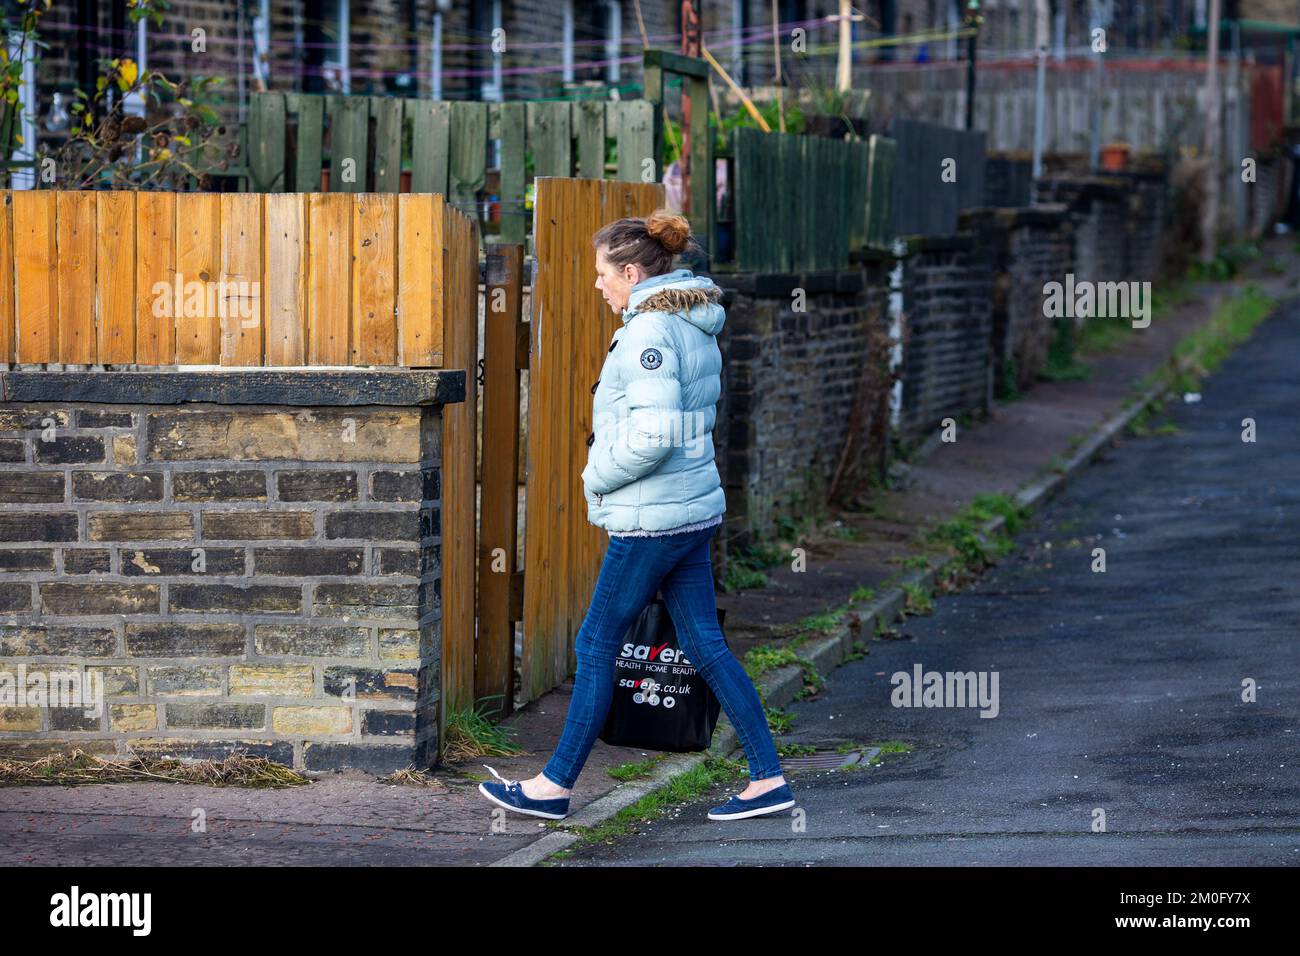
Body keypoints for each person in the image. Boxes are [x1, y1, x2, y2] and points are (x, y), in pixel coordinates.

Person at [478, 209, 794, 822]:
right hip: (690, 509)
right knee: (704, 645)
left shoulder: (651, 332)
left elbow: (654, 434)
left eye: (602, 274)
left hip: (654, 518)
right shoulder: (690, 320)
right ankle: (768, 779)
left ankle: (554, 786)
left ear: (630, 272)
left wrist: (596, 475)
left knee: (596, 642)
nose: (597, 285)